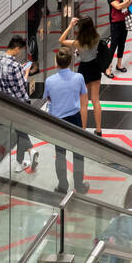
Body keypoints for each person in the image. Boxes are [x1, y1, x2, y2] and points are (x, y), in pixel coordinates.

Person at [44, 47, 91, 193]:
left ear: (56, 63)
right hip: (75, 119)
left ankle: (63, 186)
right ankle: (79, 185)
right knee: (78, 154)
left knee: (60, 155)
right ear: (71, 61)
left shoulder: (49, 81)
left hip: (58, 121)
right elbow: (84, 102)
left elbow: (48, 99)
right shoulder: (79, 78)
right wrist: (83, 126)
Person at [0, 36, 37, 172]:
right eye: (20, 50)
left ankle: (20, 163)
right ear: (17, 49)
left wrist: (20, 70)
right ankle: (31, 150)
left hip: (5, 103)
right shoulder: (15, 66)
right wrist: (24, 73)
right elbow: (21, 86)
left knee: (20, 132)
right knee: (21, 131)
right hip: (20, 104)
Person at [59, 15, 105, 135]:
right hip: (95, 67)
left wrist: (70, 26)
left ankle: (83, 130)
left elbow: (61, 40)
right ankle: (99, 130)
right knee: (96, 100)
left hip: (84, 69)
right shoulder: (96, 37)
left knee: (83, 103)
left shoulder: (77, 43)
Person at [105, 0, 132, 77]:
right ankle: (108, 68)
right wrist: (126, 2)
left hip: (125, 19)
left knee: (122, 43)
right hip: (115, 22)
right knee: (113, 45)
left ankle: (119, 65)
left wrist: (124, 3)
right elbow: (118, 6)